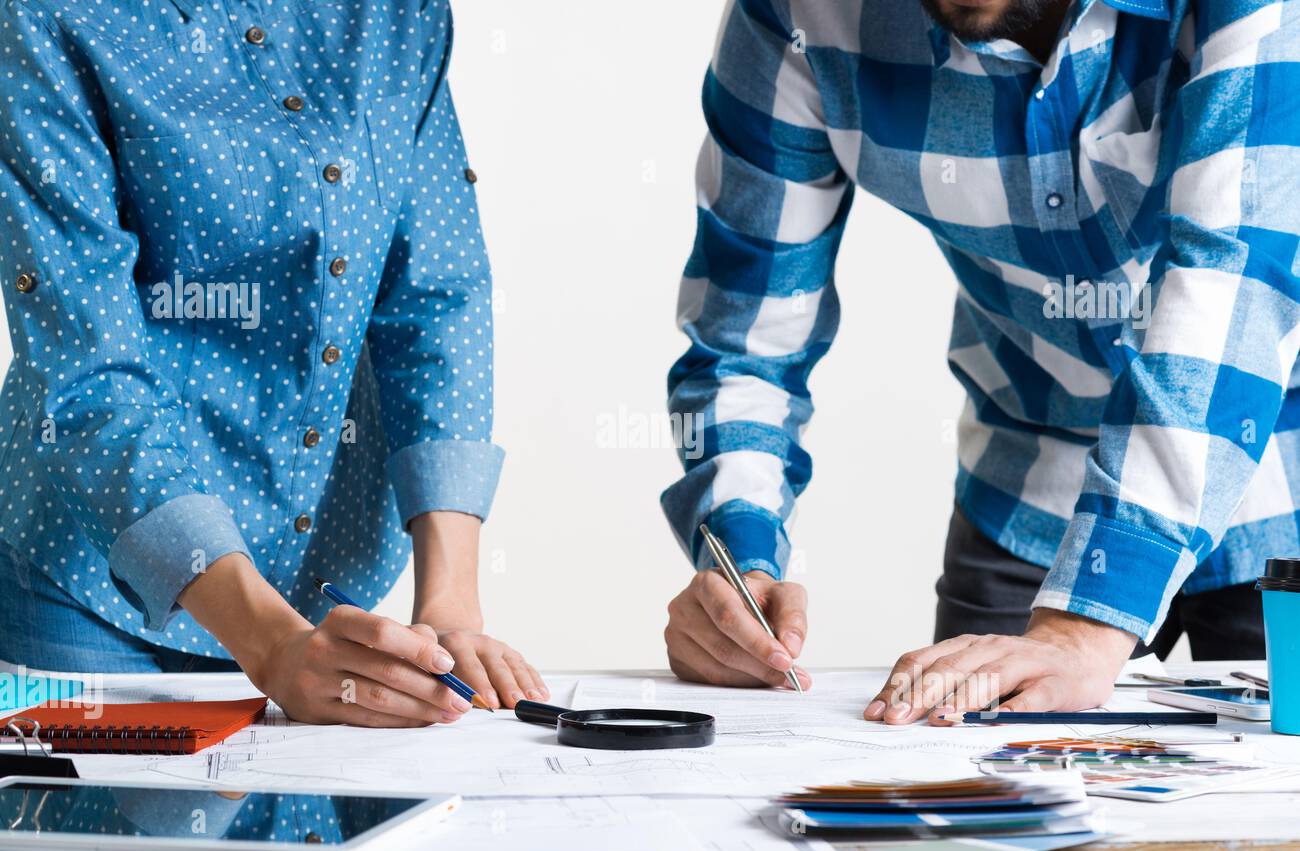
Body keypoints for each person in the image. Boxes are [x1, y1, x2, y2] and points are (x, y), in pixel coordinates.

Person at [661, 0, 1300, 722]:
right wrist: (739, 558)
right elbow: (747, 340)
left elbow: (1235, 282)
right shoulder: (794, 16)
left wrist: (1084, 626)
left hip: (1285, 482)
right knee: (966, 809)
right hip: (1027, 485)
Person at [0, 0, 547, 723]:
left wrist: (449, 607)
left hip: (330, 588)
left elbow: (436, 300)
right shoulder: (43, 16)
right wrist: (271, 643)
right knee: (130, 838)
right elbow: (89, 368)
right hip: (90, 588)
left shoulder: (394, 15)